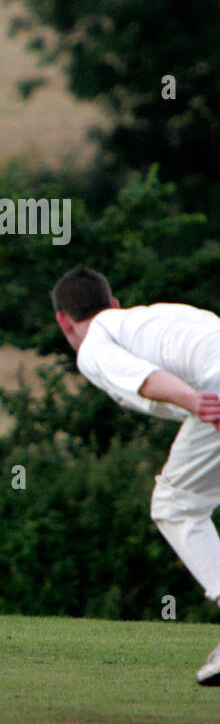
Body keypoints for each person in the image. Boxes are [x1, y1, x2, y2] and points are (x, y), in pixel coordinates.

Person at [52, 265, 220, 685]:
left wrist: (193, 401)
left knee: (175, 505)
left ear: (63, 320)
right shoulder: (154, 315)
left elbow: (145, 379)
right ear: (113, 302)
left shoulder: (92, 344)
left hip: (214, 387)